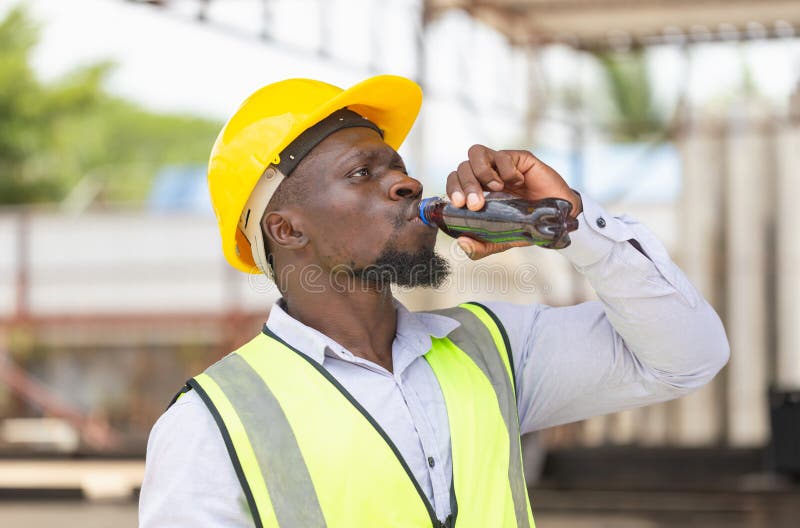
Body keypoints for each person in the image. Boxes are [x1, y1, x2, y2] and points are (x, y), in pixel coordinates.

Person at [139, 75, 729, 528]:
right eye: (361, 173)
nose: (408, 183)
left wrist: (575, 226)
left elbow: (687, 356)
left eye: (397, 167)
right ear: (287, 229)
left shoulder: (493, 348)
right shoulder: (210, 426)